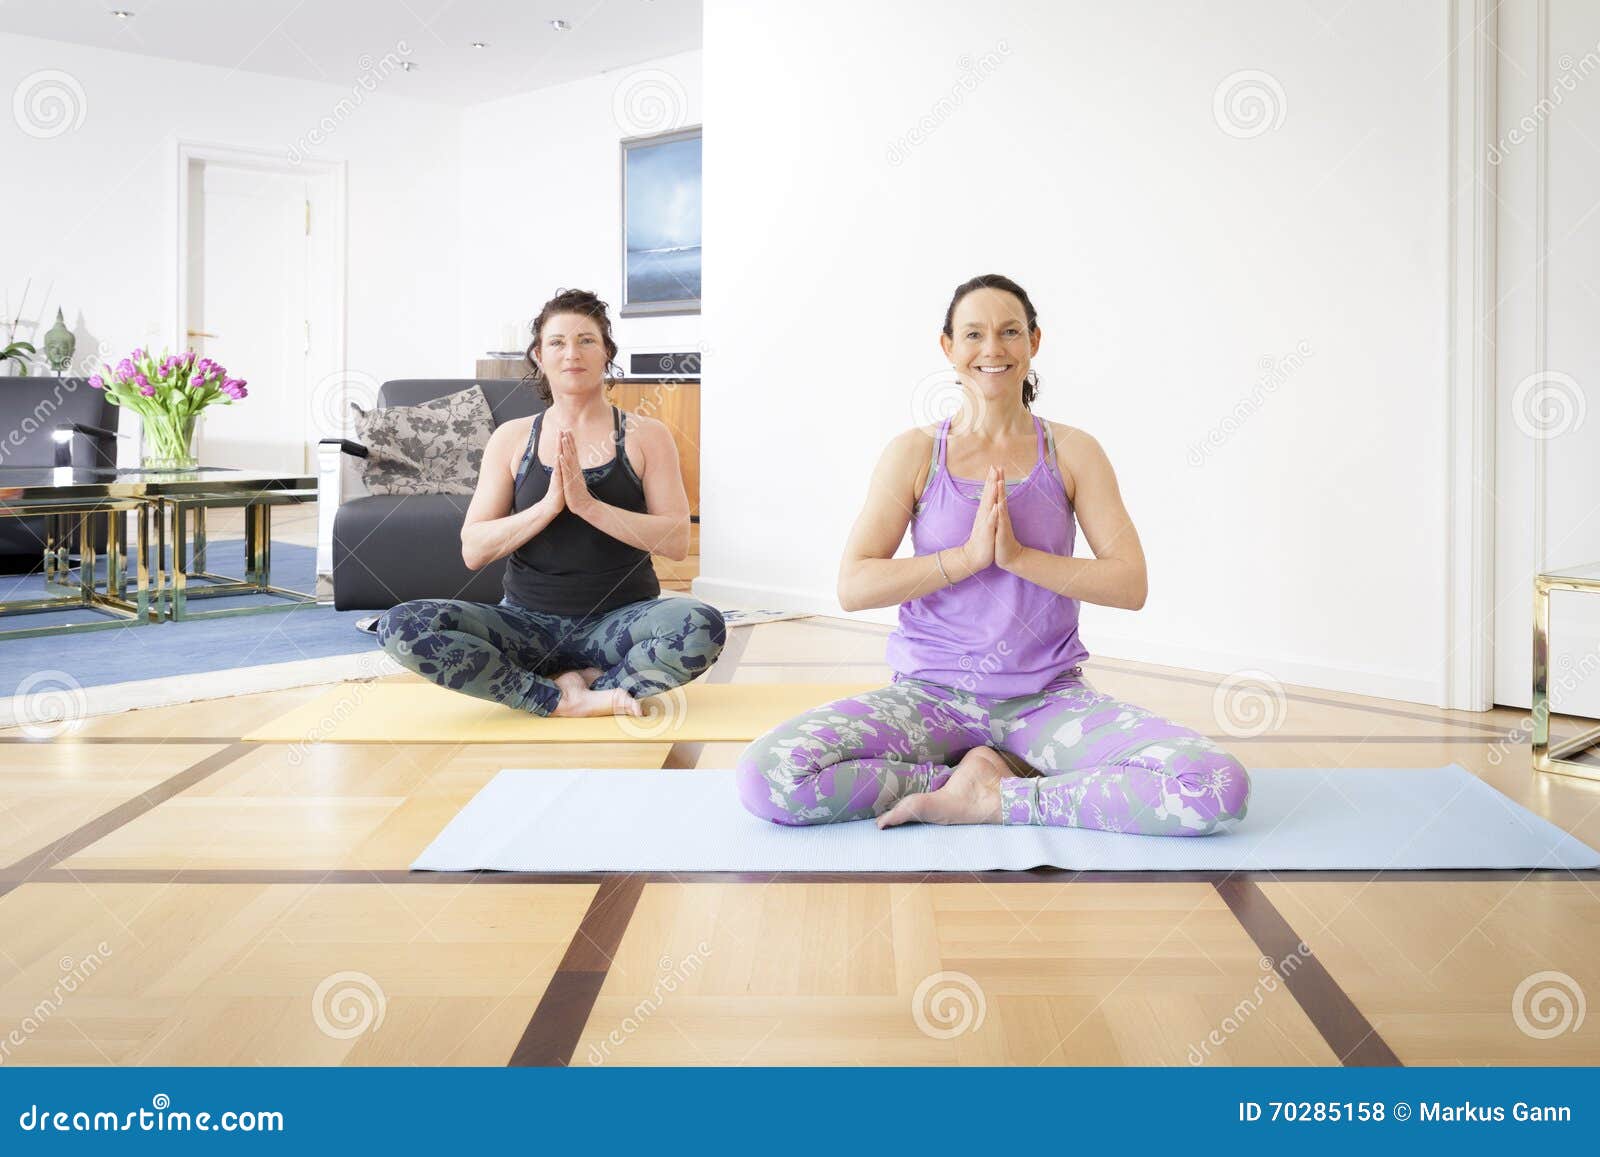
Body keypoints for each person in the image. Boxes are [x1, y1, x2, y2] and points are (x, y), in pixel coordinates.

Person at [736, 274, 1250, 834]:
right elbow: (854, 586)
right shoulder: (912, 453)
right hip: (929, 698)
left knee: (1214, 787)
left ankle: (1000, 797)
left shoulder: (1075, 451)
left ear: (1034, 341)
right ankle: (960, 781)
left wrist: (1019, 557)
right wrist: (967, 557)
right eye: (974, 334)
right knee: (769, 777)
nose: (992, 350)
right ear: (948, 348)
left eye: (1009, 332)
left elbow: (1130, 585)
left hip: (1046, 701)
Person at [377, 288, 725, 717]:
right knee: (401, 626)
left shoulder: (647, 435)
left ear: (606, 353)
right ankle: (561, 698)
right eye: (557, 342)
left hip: (619, 624)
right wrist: (547, 507)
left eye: (586, 340)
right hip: (527, 625)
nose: (571, 353)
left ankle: (582, 684)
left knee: (701, 626)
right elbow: (474, 549)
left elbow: (674, 541)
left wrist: (589, 506)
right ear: (539, 356)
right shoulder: (511, 439)